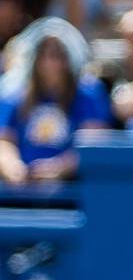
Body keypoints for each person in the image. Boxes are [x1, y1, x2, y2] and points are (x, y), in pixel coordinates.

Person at [0, 21, 110, 184]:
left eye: (58, 55)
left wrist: (58, 168)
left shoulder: (88, 94)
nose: (50, 63)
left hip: (71, 190)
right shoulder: (16, 94)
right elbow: (4, 141)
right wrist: (14, 168)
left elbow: (95, 145)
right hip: (21, 190)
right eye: (43, 54)